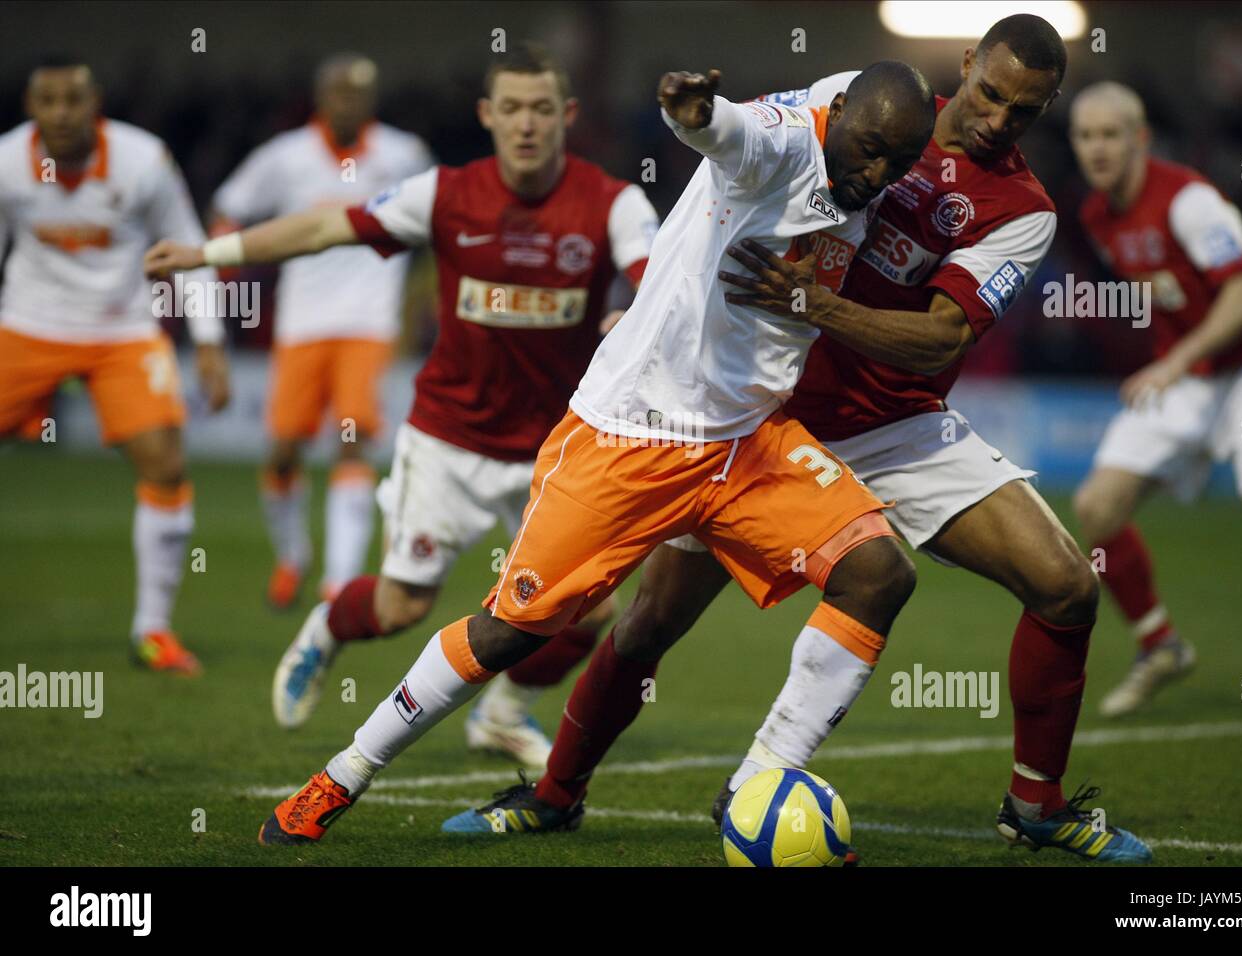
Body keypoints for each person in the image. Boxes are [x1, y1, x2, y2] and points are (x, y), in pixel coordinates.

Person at [451, 15, 1152, 864]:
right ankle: (555, 796)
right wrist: (699, 121)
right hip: (767, 422)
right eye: (991, 93)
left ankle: (1030, 806)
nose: (999, 120)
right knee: (647, 627)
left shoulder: (1025, 211)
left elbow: (940, 339)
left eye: (1024, 112)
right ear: (966, 65)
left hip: (900, 424)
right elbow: (744, 148)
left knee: (1068, 588)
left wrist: (809, 304)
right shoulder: (866, 105)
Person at [221, 58, 936, 846]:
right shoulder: (781, 144)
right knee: (509, 631)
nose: (876, 174)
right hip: (630, 438)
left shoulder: (874, 155)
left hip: (749, 443)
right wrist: (692, 112)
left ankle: (757, 783)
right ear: (838, 117)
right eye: (868, 149)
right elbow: (723, 129)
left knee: (878, 574)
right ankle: (338, 779)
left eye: (897, 163)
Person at [148, 43, 659, 766]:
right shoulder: (445, 194)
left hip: (554, 450)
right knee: (401, 608)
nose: (526, 124)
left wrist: (636, 312)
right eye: (510, 108)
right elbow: (326, 227)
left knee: (590, 615)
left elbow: (661, 279)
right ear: (487, 114)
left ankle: (503, 714)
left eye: (542, 109)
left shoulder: (613, 202)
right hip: (450, 438)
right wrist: (210, 256)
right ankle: (327, 627)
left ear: (566, 115)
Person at [1069, 81, 1242, 717]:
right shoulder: (1094, 216)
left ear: (1140, 139)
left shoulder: (1189, 201)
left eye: (1111, 134)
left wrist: (1171, 359)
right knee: (1097, 509)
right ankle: (1160, 645)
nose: (1097, 148)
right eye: (1085, 136)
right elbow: (1163, 293)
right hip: (1190, 375)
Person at [0, 57, 228, 675]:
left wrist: (208, 342)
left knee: (167, 464)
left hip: (121, 332)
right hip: (26, 326)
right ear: (30, 105)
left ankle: (152, 632)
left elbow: (188, 246)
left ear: (95, 101)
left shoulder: (143, 160)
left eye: (74, 98)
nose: (62, 112)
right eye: (48, 100)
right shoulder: (5, 164)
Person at [211, 53, 432, 609]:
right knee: (283, 453)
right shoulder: (284, 159)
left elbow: (438, 220)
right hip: (302, 324)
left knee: (352, 441)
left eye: (360, 93)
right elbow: (230, 206)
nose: (349, 102)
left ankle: (338, 585)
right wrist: (222, 261)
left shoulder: (403, 154)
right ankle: (292, 558)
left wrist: (422, 301)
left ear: (372, 99)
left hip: (368, 322)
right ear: (320, 97)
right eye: (339, 92)